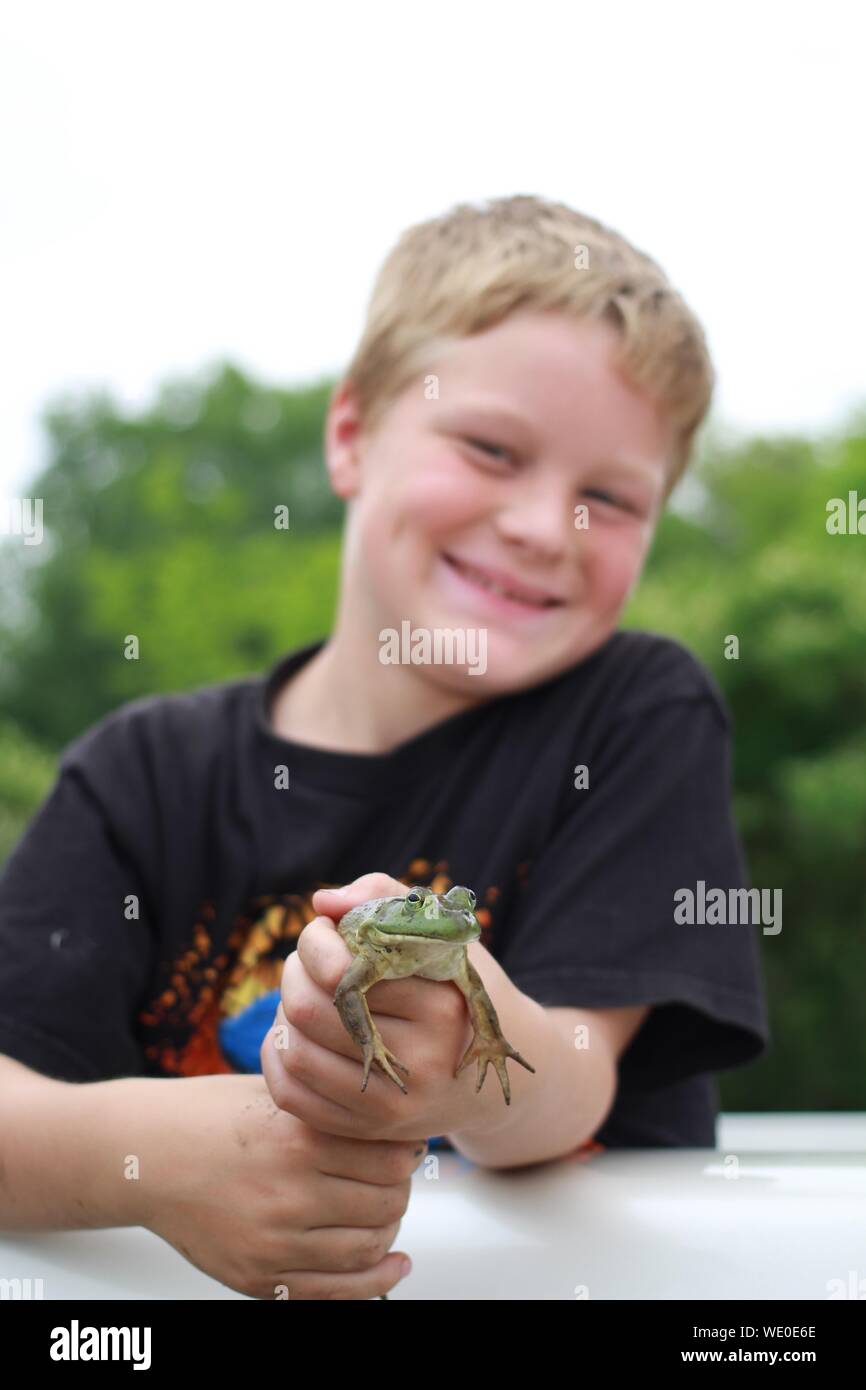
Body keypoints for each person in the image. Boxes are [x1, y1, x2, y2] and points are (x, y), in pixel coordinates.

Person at [0, 194, 769, 1300]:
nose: (547, 527)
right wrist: (165, 1161)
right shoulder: (141, 776)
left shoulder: (638, 711)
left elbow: (578, 1074)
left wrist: (460, 1056)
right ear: (352, 433)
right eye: (490, 448)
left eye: (608, 495)